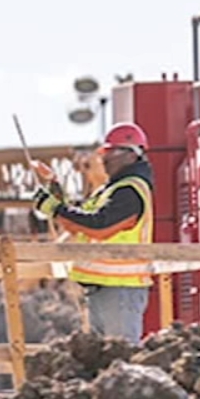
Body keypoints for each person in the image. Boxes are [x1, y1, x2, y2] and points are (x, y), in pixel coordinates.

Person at [33, 122, 155, 343]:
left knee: (123, 360)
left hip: (120, 290)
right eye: (104, 152)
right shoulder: (110, 190)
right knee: (103, 363)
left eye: (111, 152)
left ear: (132, 154)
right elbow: (80, 221)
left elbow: (99, 226)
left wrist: (54, 209)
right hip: (103, 290)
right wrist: (55, 189)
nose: (104, 159)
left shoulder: (130, 191)